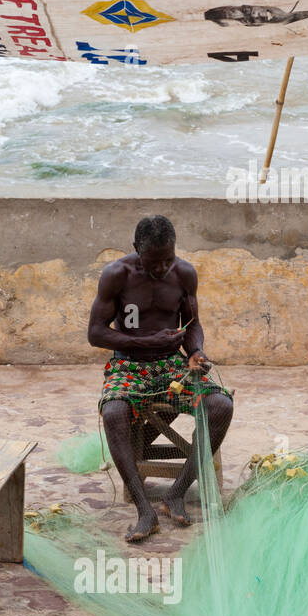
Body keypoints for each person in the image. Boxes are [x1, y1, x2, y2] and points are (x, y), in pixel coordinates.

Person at [87, 215, 234, 542]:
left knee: (221, 405)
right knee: (113, 413)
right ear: (136, 248)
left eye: (168, 259)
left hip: (171, 364)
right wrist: (144, 342)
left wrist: (195, 350)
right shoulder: (116, 275)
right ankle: (144, 509)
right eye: (154, 261)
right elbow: (95, 334)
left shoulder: (184, 273)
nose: (162, 268)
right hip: (129, 366)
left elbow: (193, 322)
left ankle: (175, 493)